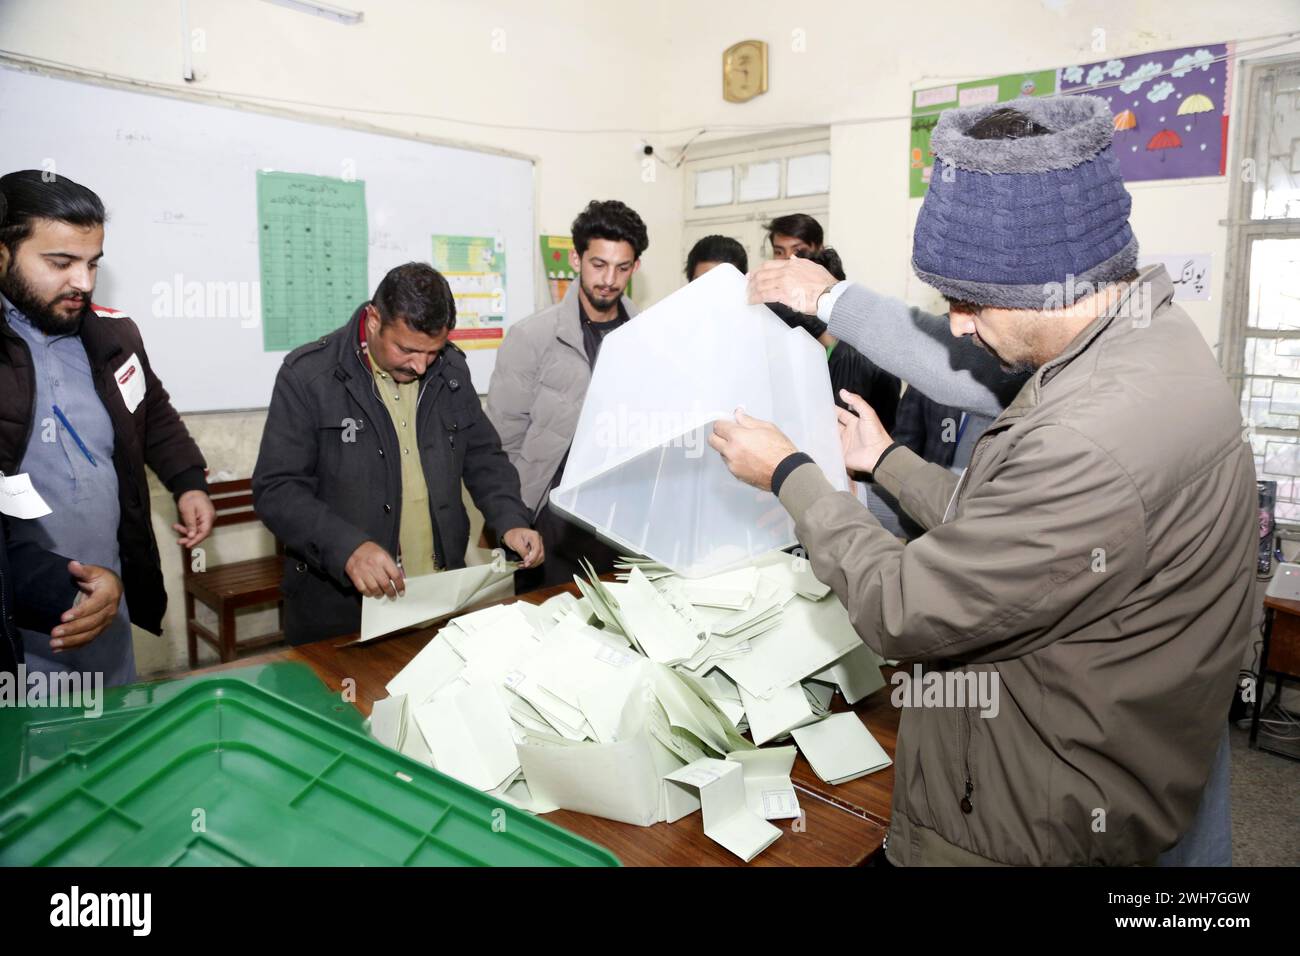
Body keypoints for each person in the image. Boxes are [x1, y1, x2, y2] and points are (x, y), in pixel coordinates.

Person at [711, 97, 1253, 866]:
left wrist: (791, 474)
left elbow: (903, 608)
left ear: (1040, 286)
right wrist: (887, 461)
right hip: (1115, 763)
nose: (958, 327)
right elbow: (1013, 524)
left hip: (1033, 816)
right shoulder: (1150, 343)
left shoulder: (1087, 434)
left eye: (966, 301)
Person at [252, 262, 540, 644]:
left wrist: (510, 518)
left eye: (432, 352)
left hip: (439, 604)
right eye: (406, 349)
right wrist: (348, 548)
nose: (420, 365)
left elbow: (483, 455)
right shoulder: (309, 377)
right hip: (343, 613)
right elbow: (277, 489)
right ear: (373, 320)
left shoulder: (450, 370)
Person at [0, 171, 214, 686]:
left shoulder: (112, 334)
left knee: (111, 742)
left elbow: (152, 409)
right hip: (19, 612)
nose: (84, 282)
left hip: (108, 594)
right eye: (61, 263)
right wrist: (56, 588)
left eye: (93, 263)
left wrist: (187, 480)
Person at [487, 199, 648, 589]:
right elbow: (500, 442)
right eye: (598, 264)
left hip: (622, 517)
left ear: (636, 267)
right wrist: (512, 518)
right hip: (550, 519)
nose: (609, 278)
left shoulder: (648, 336)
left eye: (622, 267)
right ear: (576, 259)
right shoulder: (532, 337)